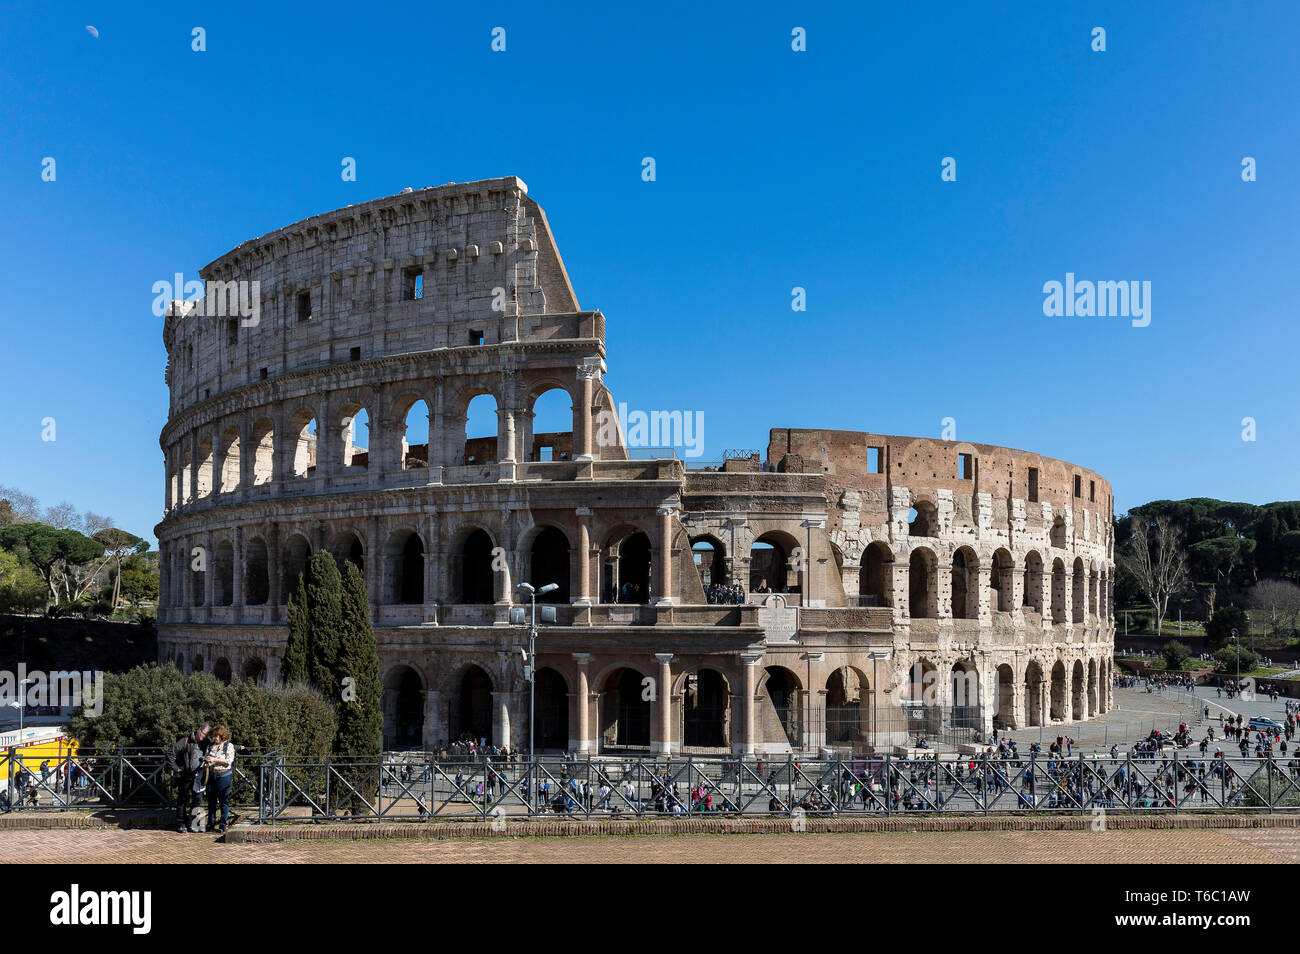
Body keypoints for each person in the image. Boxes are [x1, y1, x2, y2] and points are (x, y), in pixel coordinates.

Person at [166, 723, 211, 833]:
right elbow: (170, 753)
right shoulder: (185, 740)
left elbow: (221, 746)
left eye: (206, 735)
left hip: (199, 777)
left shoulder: (206, 743)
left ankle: (193, 824)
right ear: (198, 730)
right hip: (186, 775)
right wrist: (176, 768)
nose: (205, 736)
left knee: (197, 800)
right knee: (182, 799)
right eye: (204, 733)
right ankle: (181, 823)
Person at [204, 725, 236, 833]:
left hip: (224, 775)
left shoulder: (228, 746)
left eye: (216, 736)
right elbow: (206, 757)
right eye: (213, 736)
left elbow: (228, 761)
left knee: (223, 800)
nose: (214, 738)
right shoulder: (210, 746)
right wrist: (206, 762)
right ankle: (210, 824)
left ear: (221, 736)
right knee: (211, 801)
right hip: (211, 775)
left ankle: (222, 824)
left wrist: (214, 759)